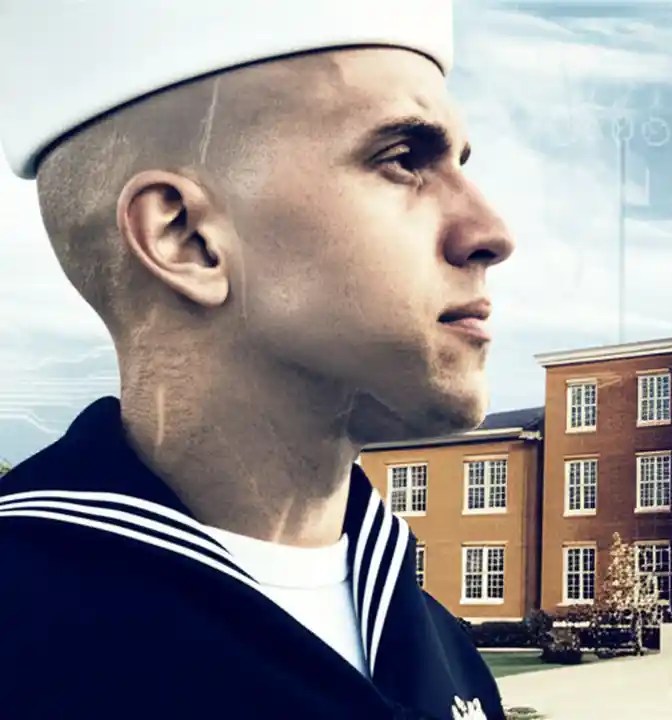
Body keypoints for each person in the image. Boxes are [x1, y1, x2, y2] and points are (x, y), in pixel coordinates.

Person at [0, 1, 513, 718]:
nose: (491, 233)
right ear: (188, 239)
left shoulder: (433, 638)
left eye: (461, 165)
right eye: (403, 160)